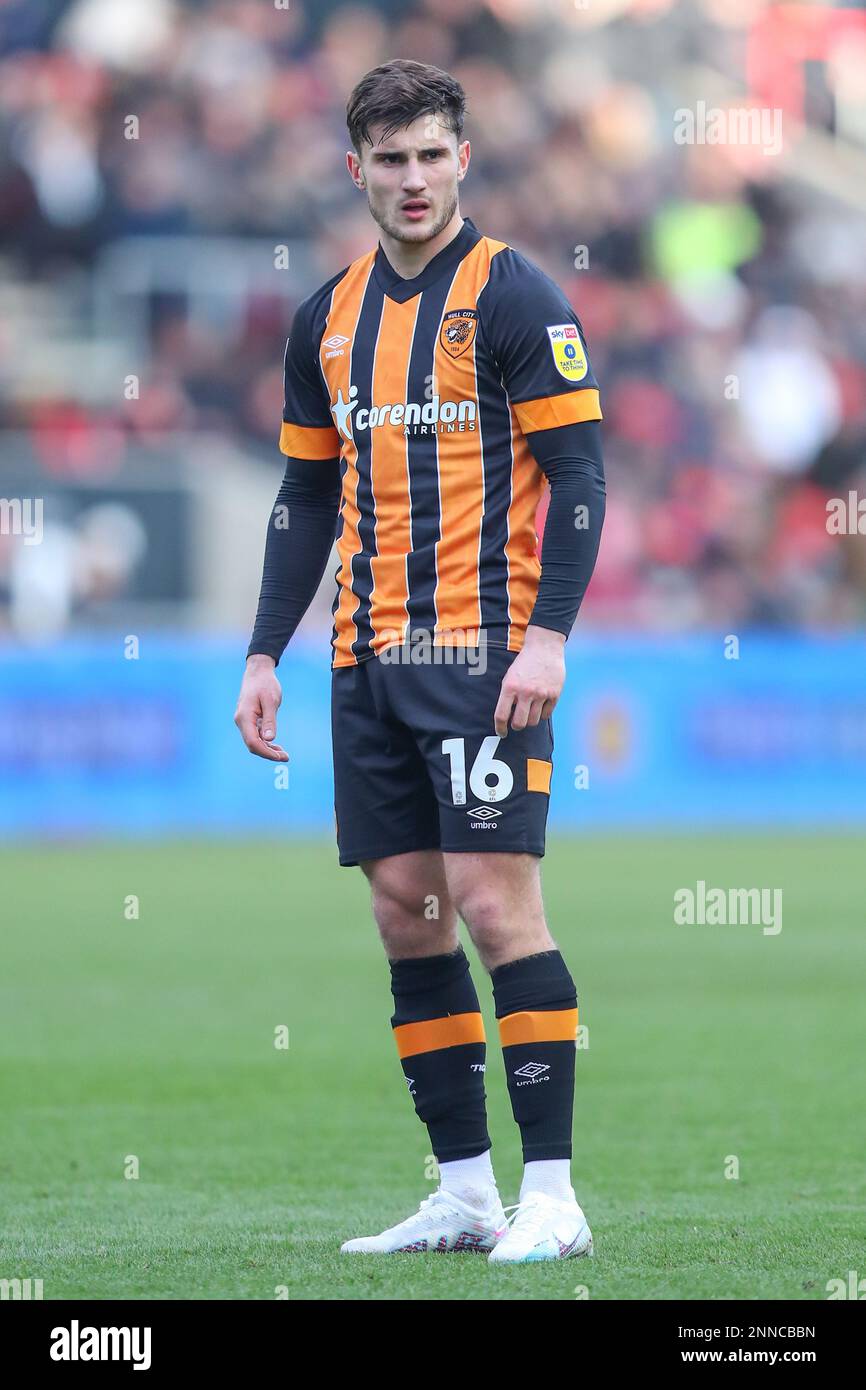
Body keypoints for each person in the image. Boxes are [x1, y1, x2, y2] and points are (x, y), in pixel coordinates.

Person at [235, 59, 605, 1263]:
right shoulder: (328, 318)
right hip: (364, 656)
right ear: (355, 170)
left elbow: (584, 478)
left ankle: (550, 1195)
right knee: (408, 913)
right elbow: (302, 496)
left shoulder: (513, 296)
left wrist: (547, 634)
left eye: (429, 155)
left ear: (463, 161)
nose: (409, 179)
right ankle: (462, 1191)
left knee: (497, 904)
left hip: (483, 649)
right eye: (387, 160)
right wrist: (261, 653)